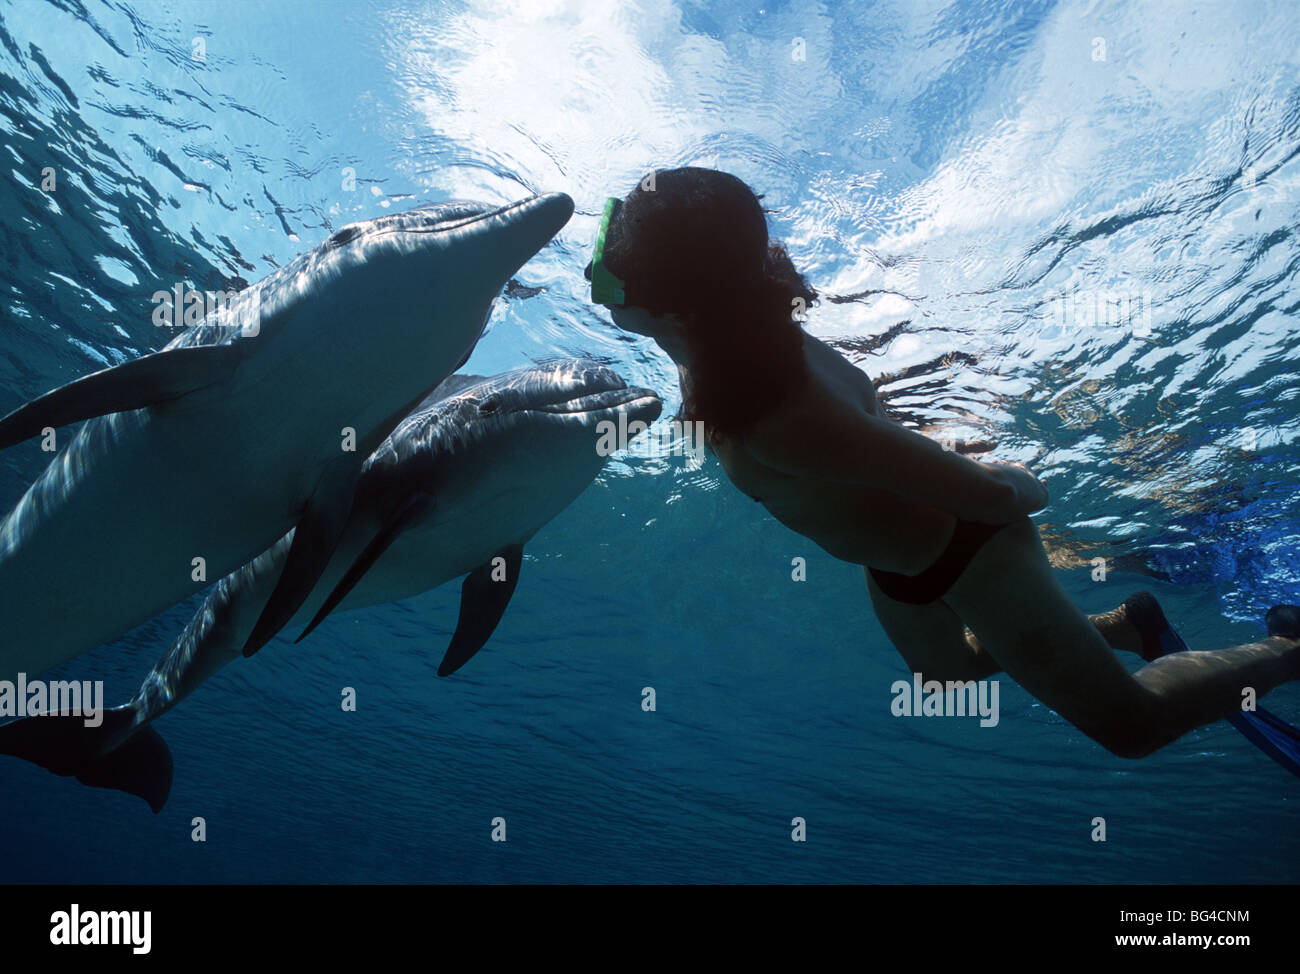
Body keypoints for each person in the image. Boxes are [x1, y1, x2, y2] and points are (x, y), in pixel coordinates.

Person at [585, 166, 1300, 760]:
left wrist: (1018, 486)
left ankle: (1288, 648)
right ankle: (1125, 627)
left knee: (1132, 727)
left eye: (609, 274)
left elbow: (991, 498)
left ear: (675, 306)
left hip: (971, 545)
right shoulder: (731, 351)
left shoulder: (777, 417)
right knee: (946, 679)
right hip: (898, 563)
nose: (594, 277)